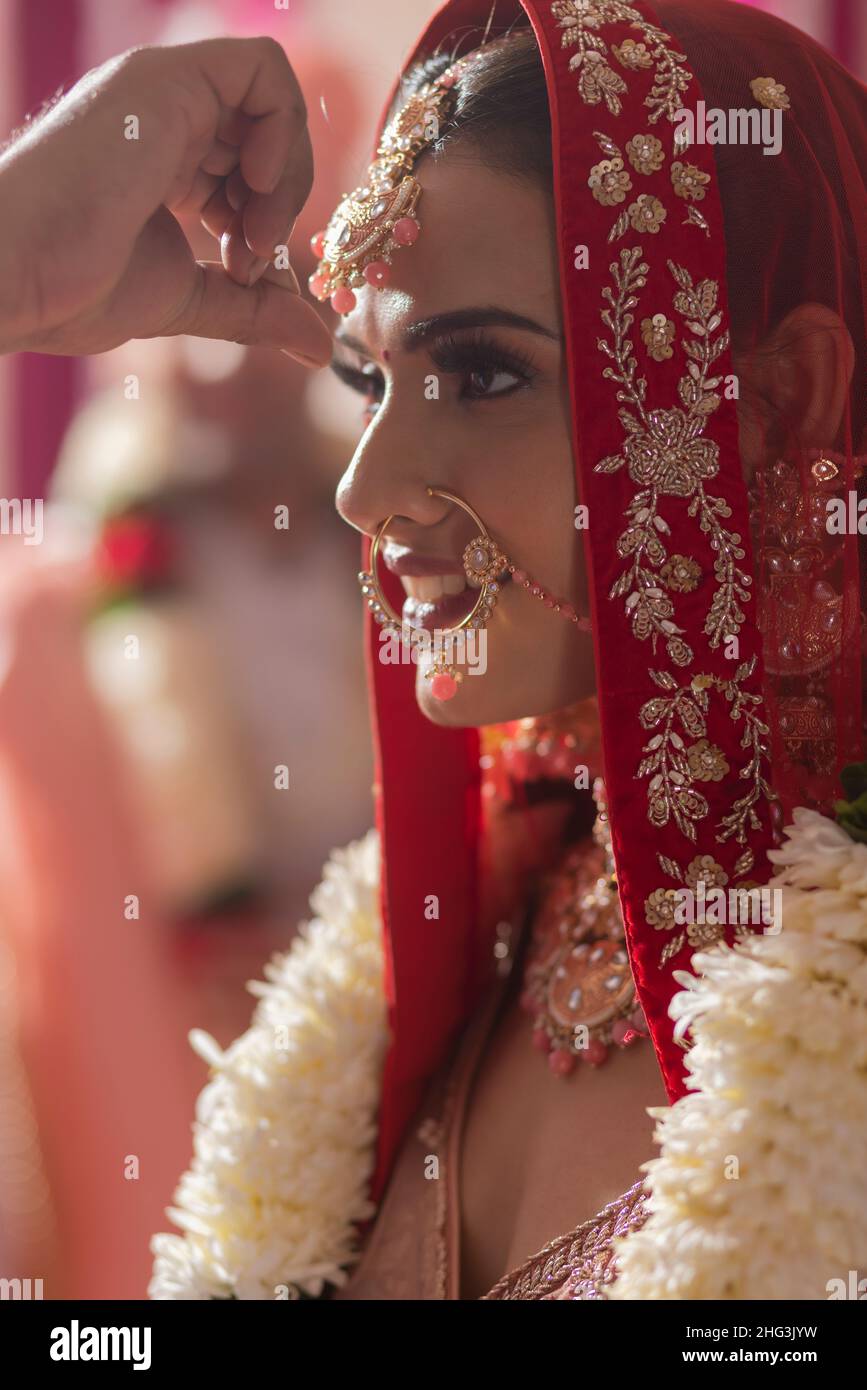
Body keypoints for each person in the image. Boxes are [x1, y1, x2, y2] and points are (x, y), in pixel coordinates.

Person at [2, 4, 865, 1301]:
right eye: (370, 380)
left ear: (777, 405)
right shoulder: (448, 932)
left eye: (483, 374)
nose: (365, 485)